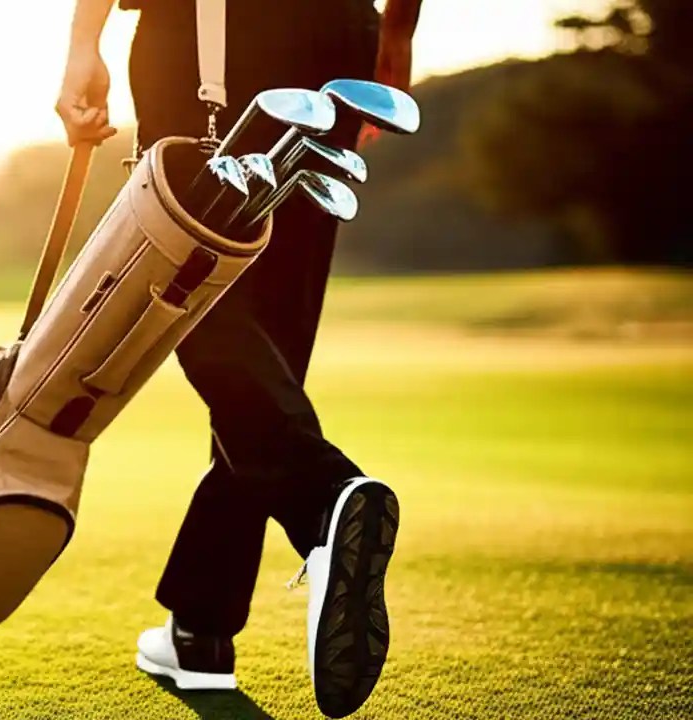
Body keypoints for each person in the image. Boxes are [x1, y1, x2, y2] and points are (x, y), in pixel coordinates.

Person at [55, 0, 423, 717]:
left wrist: (83, 39)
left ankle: (324, 503)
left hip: (205, 29)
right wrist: (395, 31)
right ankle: (200, 626)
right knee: (269, 347)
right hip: (337, 30)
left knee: (183, 280)